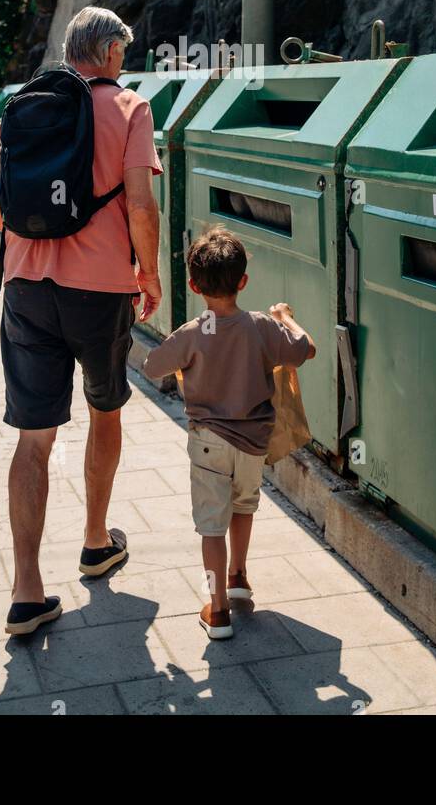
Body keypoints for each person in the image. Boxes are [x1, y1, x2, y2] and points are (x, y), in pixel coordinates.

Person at [0, 6, 162, 637]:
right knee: (104, 409)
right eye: (123, 52)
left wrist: (39, 230)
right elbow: (141, 204)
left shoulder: (25, 104)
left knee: (33, 439)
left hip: (26, 289)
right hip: (100, 291)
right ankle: (94, 540)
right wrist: (150, 275)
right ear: (109, 51)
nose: (124, 62)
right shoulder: (131, 109)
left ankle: (27, 592)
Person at [143, 226, 315, 640]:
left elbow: (151, 367)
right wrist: (285, 317)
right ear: (243, 282)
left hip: (207, 443)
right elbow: (305, 349)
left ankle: (218, 609)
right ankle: (239, 574)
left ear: (193, 284)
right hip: (253, 444)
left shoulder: (191, 332)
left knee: (210, 526)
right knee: (243, 507)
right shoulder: (261, 326)